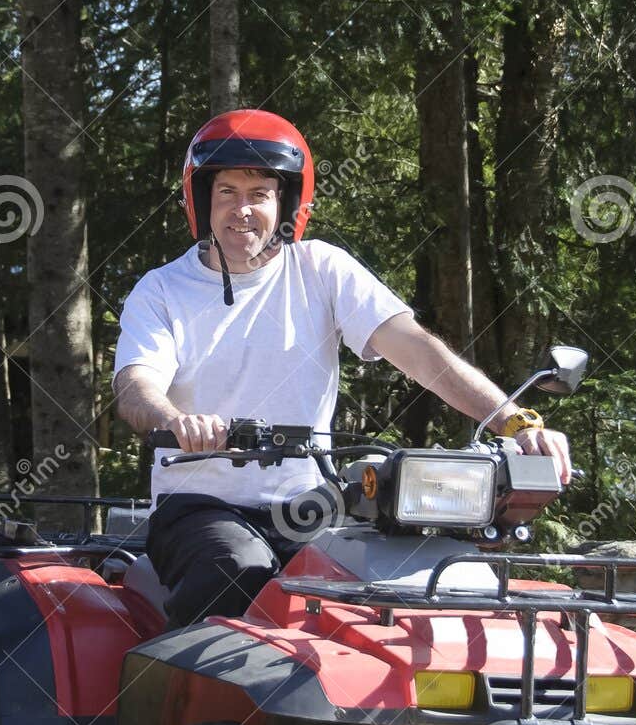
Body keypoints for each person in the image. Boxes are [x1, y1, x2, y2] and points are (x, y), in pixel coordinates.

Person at [112, 109, 572, 627]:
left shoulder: (321, 269)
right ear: (201, 202)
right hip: (198, 506)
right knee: (237, 568)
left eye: (259, 193)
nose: (243, 209)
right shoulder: (162, 289)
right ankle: (194, 708)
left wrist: (511, 419)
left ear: (286, 202)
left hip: (313, 506)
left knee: (398, 584)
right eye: (227, 192)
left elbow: (416, 350)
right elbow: (136, 384)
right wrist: (174, 420)